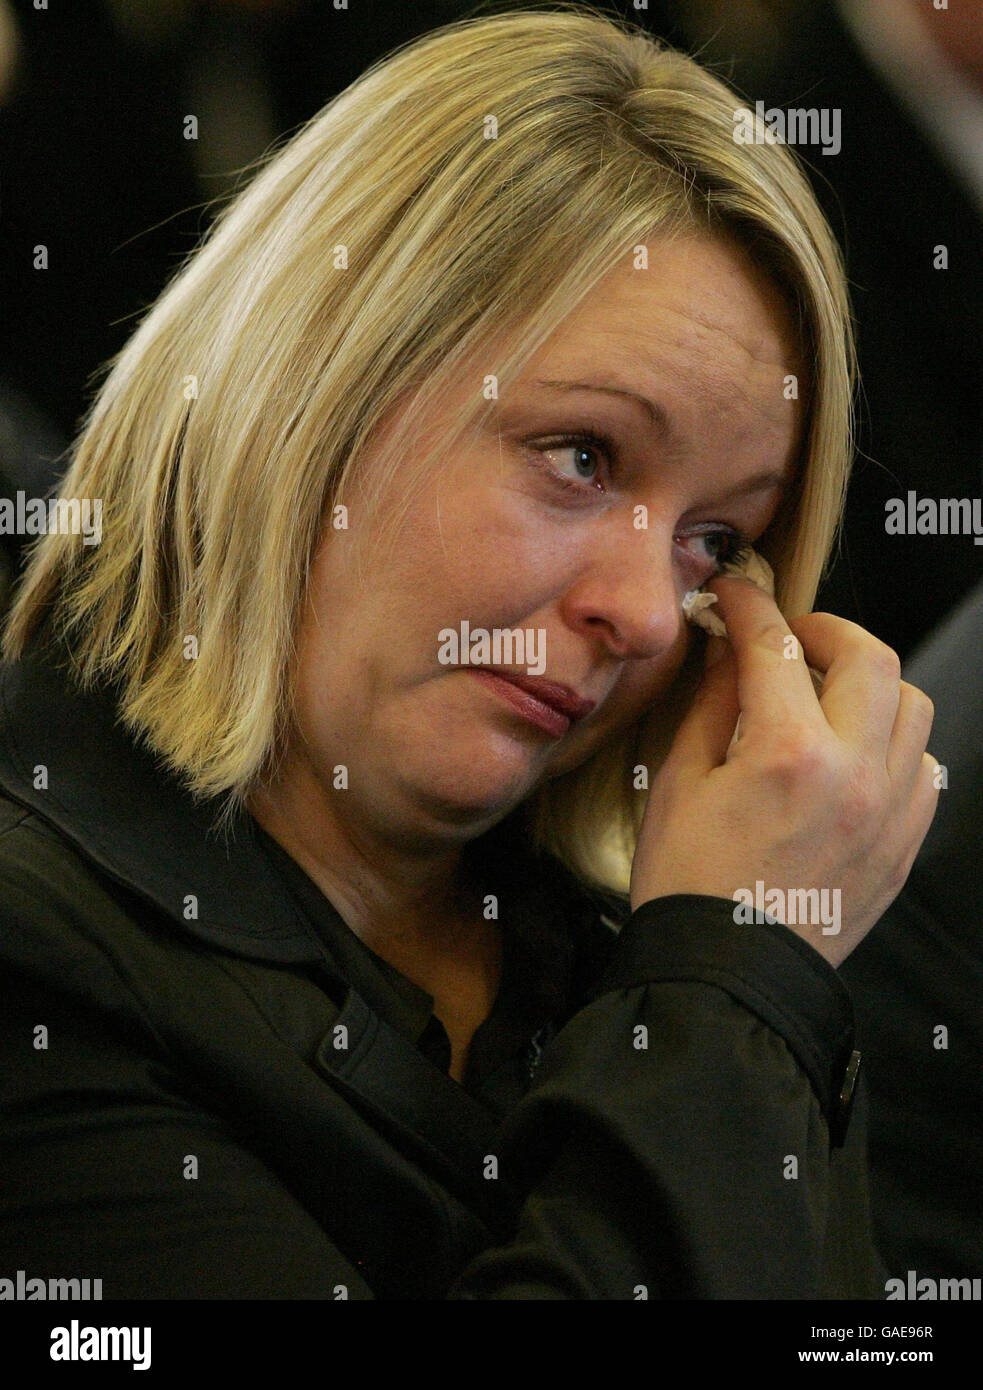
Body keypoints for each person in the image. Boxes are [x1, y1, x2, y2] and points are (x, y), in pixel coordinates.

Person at [0, 5, 938, 1299]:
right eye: (582, 457)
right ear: (312, 382)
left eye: (717, 541)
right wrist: (735, 970)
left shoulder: (639, 940)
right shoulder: (37, 942)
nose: (652, 615)